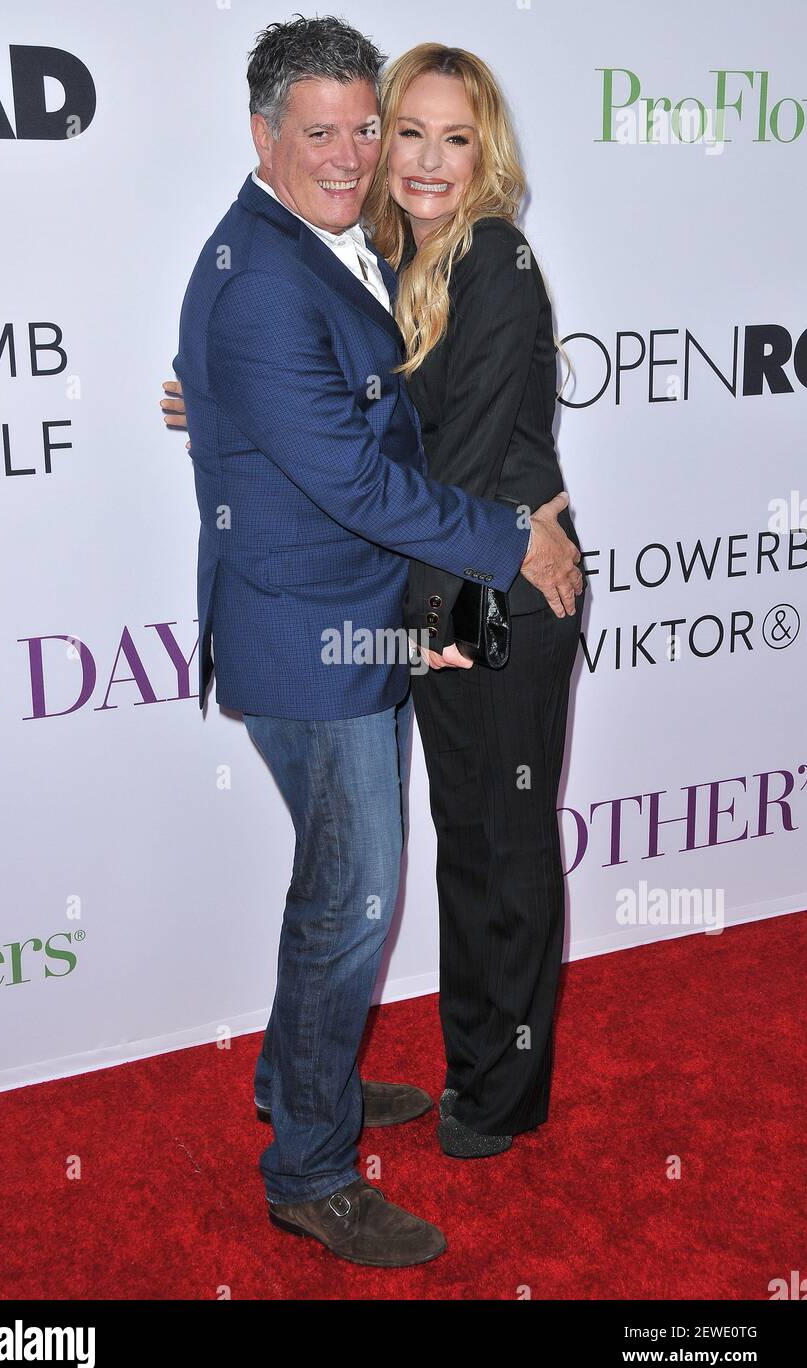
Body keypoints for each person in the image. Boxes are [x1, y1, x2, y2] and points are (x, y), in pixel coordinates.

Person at [166, 17, 582, 1266]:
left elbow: (375, 410)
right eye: (338, 130)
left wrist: (227, 388)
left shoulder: (347, 247)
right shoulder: (282, 265)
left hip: (376, 618)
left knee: (353, 885)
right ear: (262, 135)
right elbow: (364, 470)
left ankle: (313, 1092)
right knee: (350, 901)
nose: (358, 155)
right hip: (324, 633)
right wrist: (507, 543)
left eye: (375, 127)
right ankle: (307, 1161)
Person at [371, 45, 585, 1157]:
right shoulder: (398, 255)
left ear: (484, 150)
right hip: (455, 574)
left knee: (501, 839)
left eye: (455, 138)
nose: (428, 159)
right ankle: (471, 1061)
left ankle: (504, 1092)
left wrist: (435, 619)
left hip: (496, 587)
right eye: (410, 131)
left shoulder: (492, 258)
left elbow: (454, 462)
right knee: (466, 835)